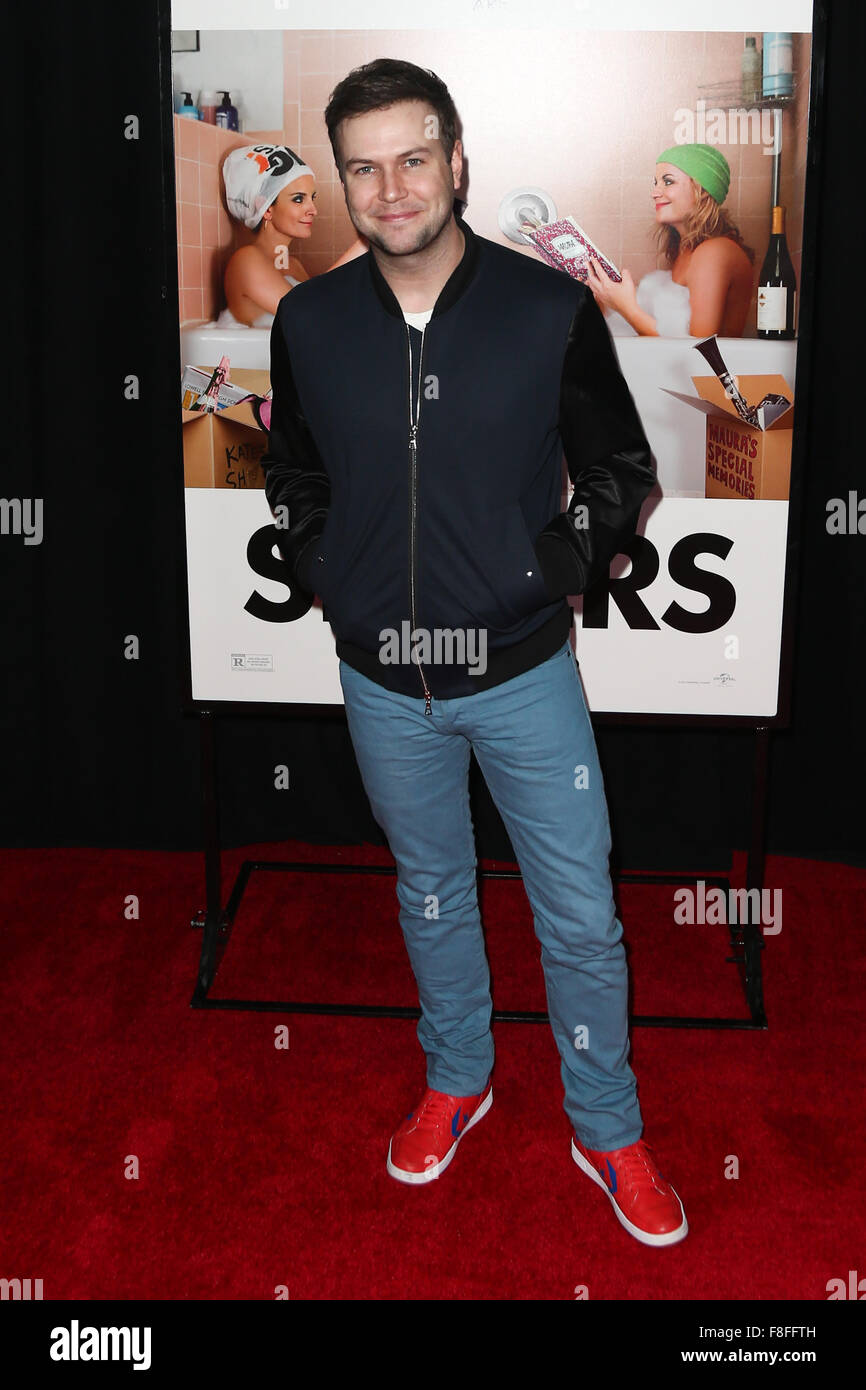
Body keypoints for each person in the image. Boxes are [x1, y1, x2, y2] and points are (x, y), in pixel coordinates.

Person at [261, 59, 688, 1248]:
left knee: (579, 919)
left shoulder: (544, 308)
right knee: (432, 893)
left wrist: (542, 571)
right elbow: (292, 467)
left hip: (521, 676)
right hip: (379, 679)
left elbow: (619, 471)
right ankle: (459, 1077)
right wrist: (316, 555)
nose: (390, 188)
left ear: (456, 161)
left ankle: (604, 1126)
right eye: (362, 166)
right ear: (341, 179)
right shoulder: (308, 319)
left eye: (412, 158)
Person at [588, 143, 754, 337]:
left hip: (705, 367)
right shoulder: (686, 250)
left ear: (703, 190)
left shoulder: (716, 252)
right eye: (656, 183)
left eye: (668, 182)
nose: (655, 193)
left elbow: (699, 349)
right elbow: (665, 327)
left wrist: (627, 308)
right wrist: (605, 301)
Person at [217, 142, 366, 328]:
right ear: (266, 208)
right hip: (255, 357)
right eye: (298, 199)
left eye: (312, 198)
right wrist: (364, 245)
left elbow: (327, 312)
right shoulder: (246, 260)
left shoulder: (293, 265)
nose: (313, 210)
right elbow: (306, 311)